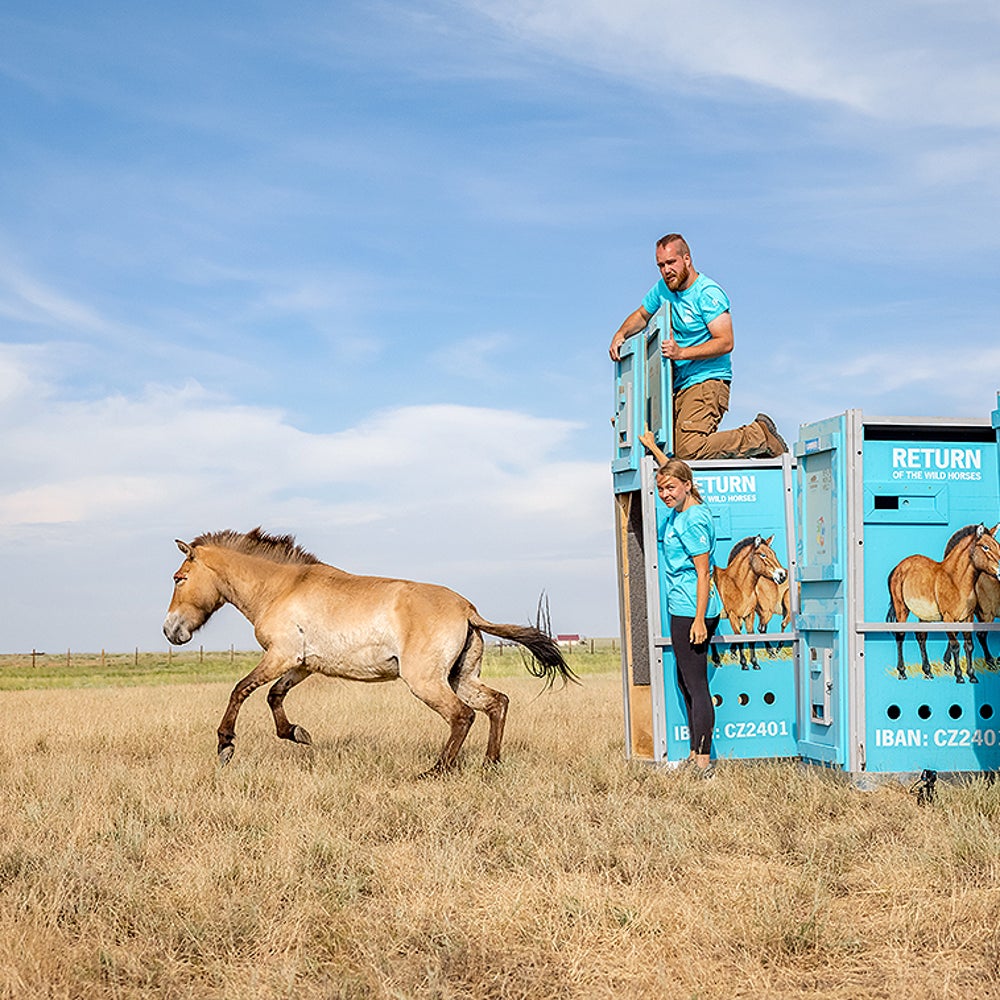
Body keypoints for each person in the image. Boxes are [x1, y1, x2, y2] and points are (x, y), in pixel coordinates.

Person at [609, 233, 787, 460]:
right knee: (658, 448)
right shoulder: (663, 289)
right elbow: (642, 316)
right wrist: (620, 333)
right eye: (661, 265)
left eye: (671, 263)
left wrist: (681, 352)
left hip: (708, 380)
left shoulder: (708, 293)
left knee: (689, 450)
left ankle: (759, 436)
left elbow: (726, 341)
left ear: (687, 259)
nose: (666, 270)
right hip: (678, 385)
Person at [656, 457, 722, 778]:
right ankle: (695, 752)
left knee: (696, 685)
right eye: (660, 489)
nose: (664, 493)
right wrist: (654, 448)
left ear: (688, 485)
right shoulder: (681, 510)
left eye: (670, 488)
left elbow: (703, 573)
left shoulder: (693, 520)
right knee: (685, 681)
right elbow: (673, 469)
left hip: (691, 609)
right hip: (682, 606)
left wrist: (698, 620)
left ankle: (703, 764)